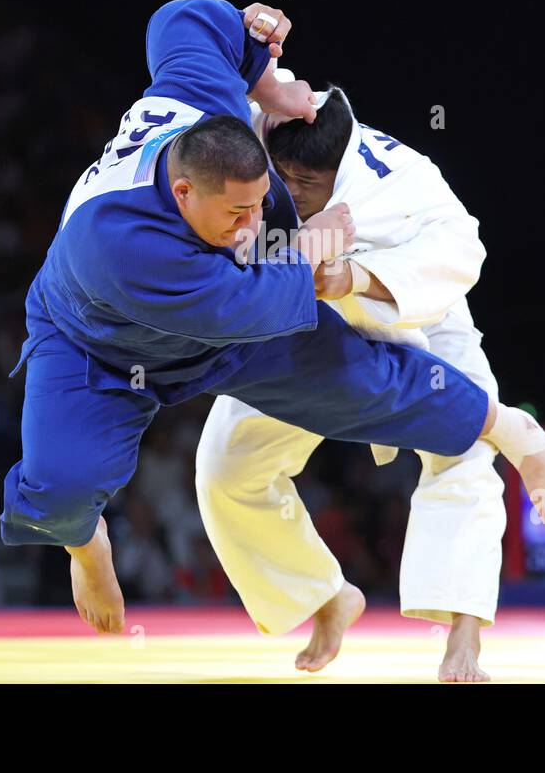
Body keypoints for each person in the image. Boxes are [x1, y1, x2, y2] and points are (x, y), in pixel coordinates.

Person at [0, 0, 545, 642]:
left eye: (260, 206)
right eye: (237, 215)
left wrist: (260, 71)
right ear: (185, 194)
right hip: (98, 345)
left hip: (244, 333)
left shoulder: (206, 105)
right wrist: (309, 249)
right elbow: (242, 303)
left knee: (369, 381)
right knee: (63, 490)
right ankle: (85, 546)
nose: (255, 223)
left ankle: (510, 431)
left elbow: (183, 20)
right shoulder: (123, 245)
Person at [197, 82, 509, 681]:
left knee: (470, 449)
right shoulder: (272, 124)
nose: (289, 195)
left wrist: (355, 277)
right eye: (280, 179)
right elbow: (218, 86)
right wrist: (255, 50)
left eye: (306, 186)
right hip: (305, 325)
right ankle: (326, 594)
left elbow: (463, 251)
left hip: (416, 314)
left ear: (338, 171)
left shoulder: (405, 181)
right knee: (226, 469)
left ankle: (463, 635)